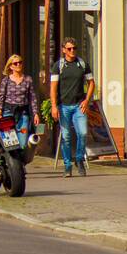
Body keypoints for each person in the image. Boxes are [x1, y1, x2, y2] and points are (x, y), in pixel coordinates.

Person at [50, 38, 95, 177]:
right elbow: (53, 87)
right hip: (63, 106)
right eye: (69, 49)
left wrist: (87, 100)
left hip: (79, 105)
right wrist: (53, 106)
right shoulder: (58, 66)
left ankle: (80, 160)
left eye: (74, 48)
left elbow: (91, 83)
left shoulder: (82, 64)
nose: (72, 51)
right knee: (67, 136)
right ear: (64, 50)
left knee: (82, 133)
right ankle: (67, 165)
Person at [0, 53, 39, 142]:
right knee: (9, 142)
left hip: (23, 113)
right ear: (10, 66)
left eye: (20, 62)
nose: (18, 65)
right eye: (15, 63)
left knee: (23, 142)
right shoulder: (6, 80)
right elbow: (1, 97)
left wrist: (35, 113)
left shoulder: (28, 79)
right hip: (8, 112)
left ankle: (20, 155)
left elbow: (32, 97)